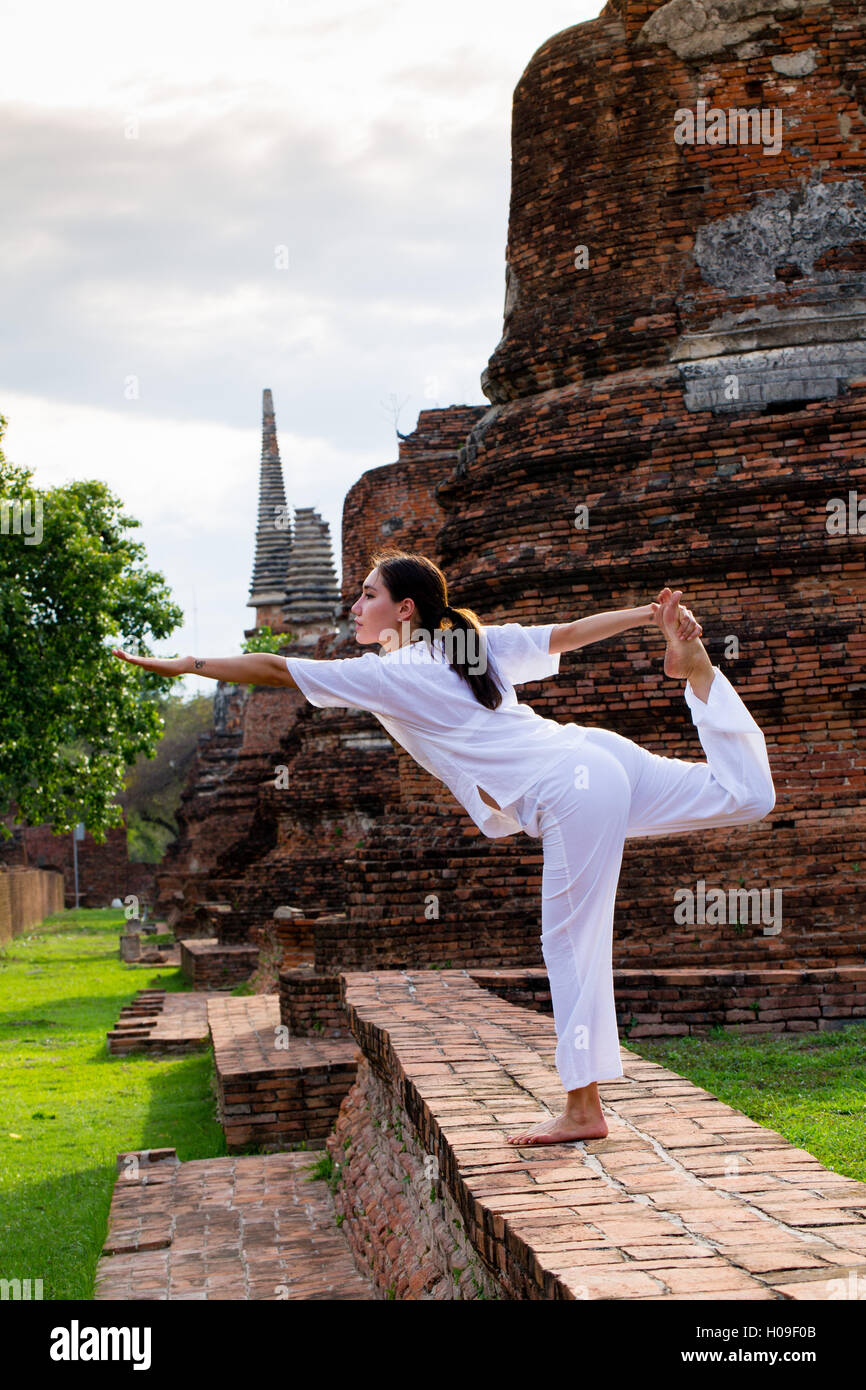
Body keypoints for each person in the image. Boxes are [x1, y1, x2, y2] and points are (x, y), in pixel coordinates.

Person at [112, 549, 775, 1147]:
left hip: (568, 789)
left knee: (570, 943)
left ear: (404, 609)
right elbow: (569, 634)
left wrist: (190, 663)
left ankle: (582, 1107)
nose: (355, 606)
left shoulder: (392, 674)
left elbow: (275, 668)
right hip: (594, 757)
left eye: (368, 594)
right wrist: (647, 614)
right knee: (746, 796)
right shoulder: (471, 646)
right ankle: (700, 678)